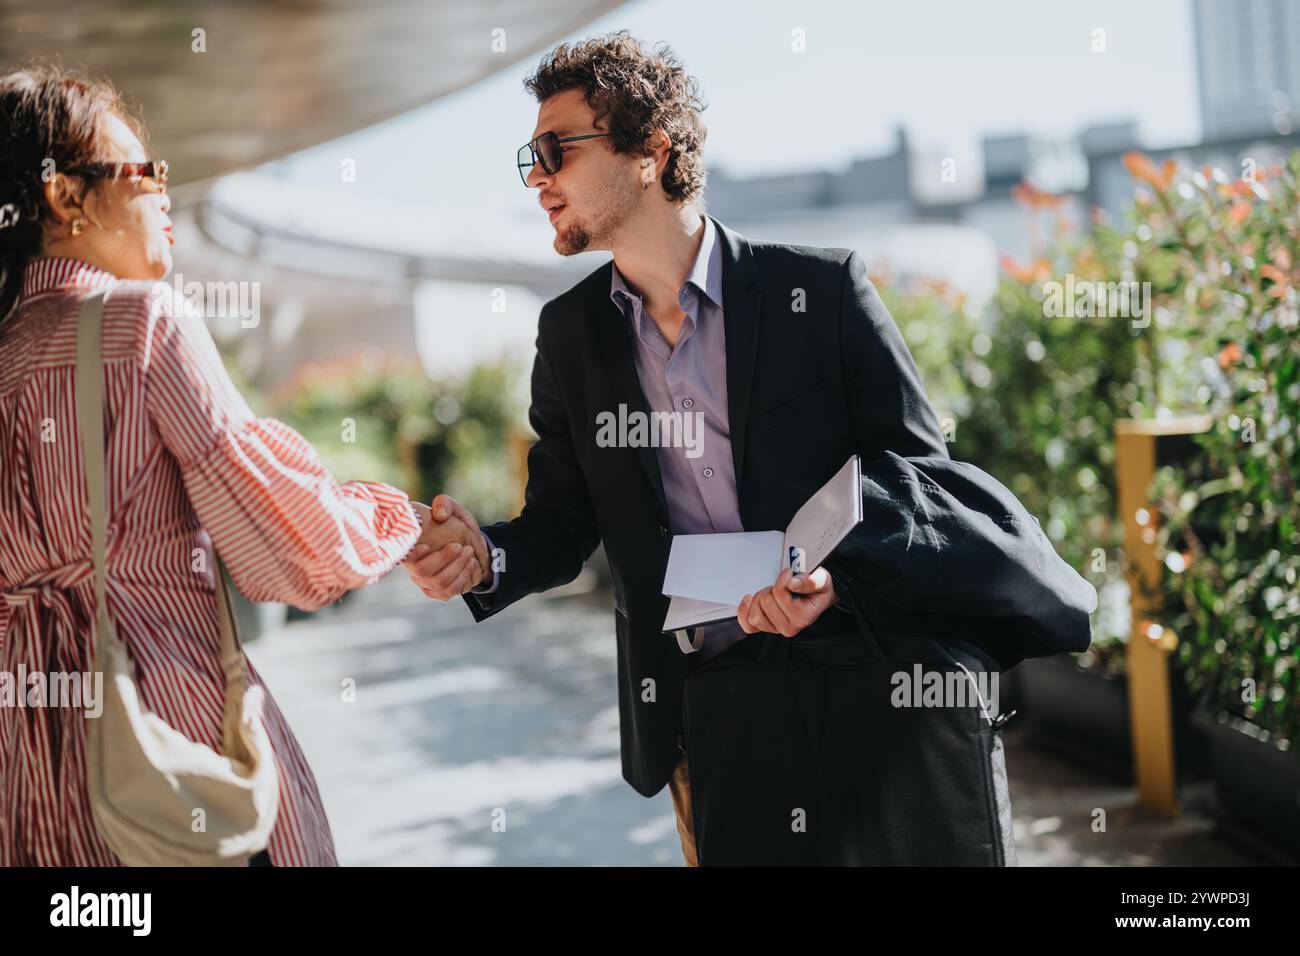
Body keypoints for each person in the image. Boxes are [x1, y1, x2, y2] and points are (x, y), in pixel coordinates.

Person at [404, 32, 956, 866]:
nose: (538, 177)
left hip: (857, 688)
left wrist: (839, 576)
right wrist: (486, 554)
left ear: (650, 152)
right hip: (703, 720)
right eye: (531, 156)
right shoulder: (570, 335)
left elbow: (921, 481)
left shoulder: (820, 290)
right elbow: (561, 519)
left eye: (557, 149)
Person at [0, 66, 486, 865]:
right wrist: (401, 525)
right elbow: (279, 545)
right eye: (146, 173)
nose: (165, 194)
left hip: (29, 782)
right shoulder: (140, 323)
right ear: (66, 198)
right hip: (165, 753)